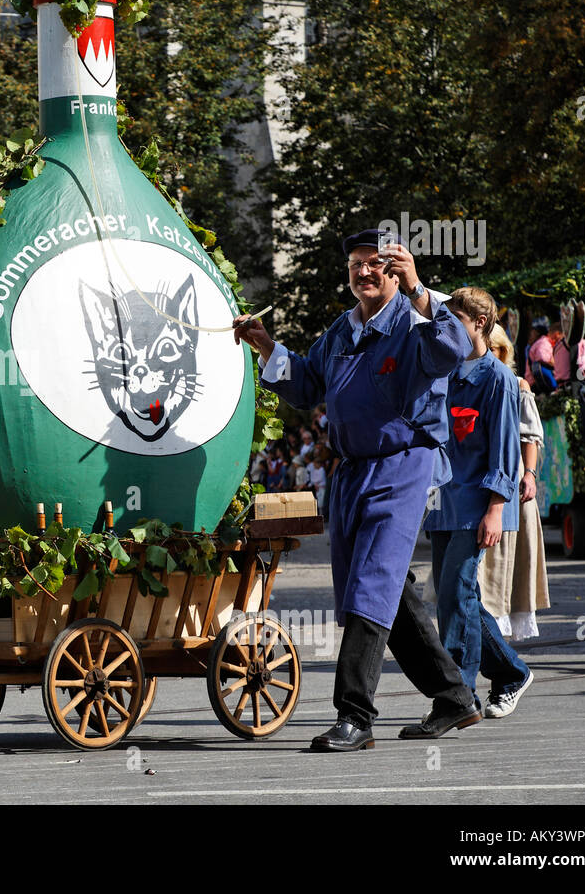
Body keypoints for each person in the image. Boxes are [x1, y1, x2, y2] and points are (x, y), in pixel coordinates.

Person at [234, 229, 479, 751]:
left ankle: (355, 715)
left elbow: (456, 347)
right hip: (351, 473)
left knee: (372, 582)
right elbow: (305, 383)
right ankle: (454, 696)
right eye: (355, 264)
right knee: (380, 590)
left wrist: (420, 289)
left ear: (396, 271)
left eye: (376, 264)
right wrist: (266, 345)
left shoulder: (416, 324)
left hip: (402, 465)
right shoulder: (342, 331)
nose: (364, 272)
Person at [424, 288, 533, 718]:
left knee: (455, 592)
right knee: (456, 596)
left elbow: (506, 451)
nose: (447, 329)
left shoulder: (498, 380)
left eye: (456, 322)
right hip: (444, 502)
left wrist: (493, 510)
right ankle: (511, 672)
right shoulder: (444, 372)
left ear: (480, 324)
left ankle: (459, 692)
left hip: (478, 503)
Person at [477, 327, 550, 641]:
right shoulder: (467, 383)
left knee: (508, 558)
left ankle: (497, 635)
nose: (488, 354)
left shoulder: (517, 385)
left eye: (494, 348)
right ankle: (478, 631)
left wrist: (529, 475)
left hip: (512, 480)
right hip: (476, 478)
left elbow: (530, 437)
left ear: (503, 352)